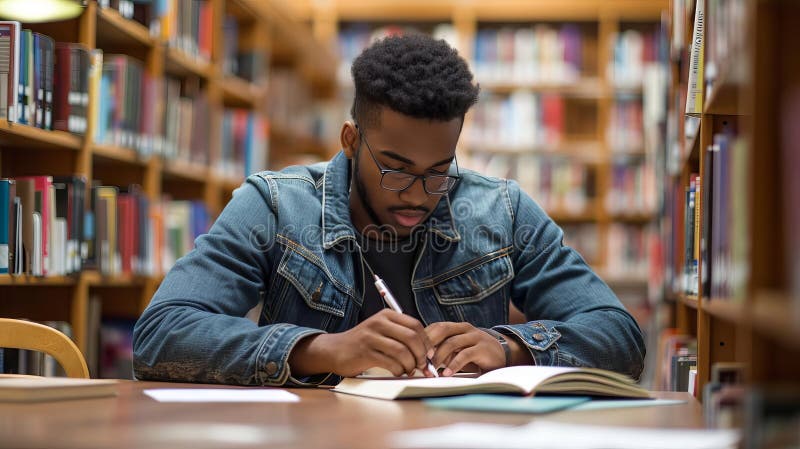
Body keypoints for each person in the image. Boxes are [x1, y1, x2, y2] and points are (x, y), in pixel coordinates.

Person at [133, 33, 645, 386]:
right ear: (352, 140)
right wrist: (319, 350)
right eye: (397, 169)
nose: (419, 194)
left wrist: (512, 347)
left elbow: (619, 336)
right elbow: (161, 335)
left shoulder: (502, 211)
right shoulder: (274, 204)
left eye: (438, 170)